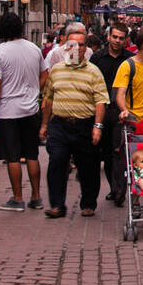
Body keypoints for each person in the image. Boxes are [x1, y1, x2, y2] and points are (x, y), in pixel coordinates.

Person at [40, 31, 109, 218]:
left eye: (80, 45)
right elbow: (48, 99)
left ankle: (88, 203)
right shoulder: (57, 70)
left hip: (84, 124)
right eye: (72, 45)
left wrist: (97, 126)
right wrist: (44, 125)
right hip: (60, 124)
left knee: (88, 166)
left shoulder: (93, 71)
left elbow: (100, 101)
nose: (76, 49)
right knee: (57, 161)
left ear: (85, 48)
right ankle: (57, 204)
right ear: (66, 47)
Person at [0, 11, 49, 212]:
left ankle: (17, 197)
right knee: (32, 154)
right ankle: (37, 196)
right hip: (30, 110)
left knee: (13, 156)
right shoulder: (33, 49)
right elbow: (45, 74)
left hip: (7, 111)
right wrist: (34, 91)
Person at [92, 20, 135, 204]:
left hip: (121, 110)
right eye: (114, 37)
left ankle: (120, 189)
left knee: (119, 150)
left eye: (121, 38)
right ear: (108, 36)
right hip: (102, 108)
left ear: (126, 40)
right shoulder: (97, 58)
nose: (117, 41)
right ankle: (112, 187)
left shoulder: (129, 59)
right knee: (106, 151)